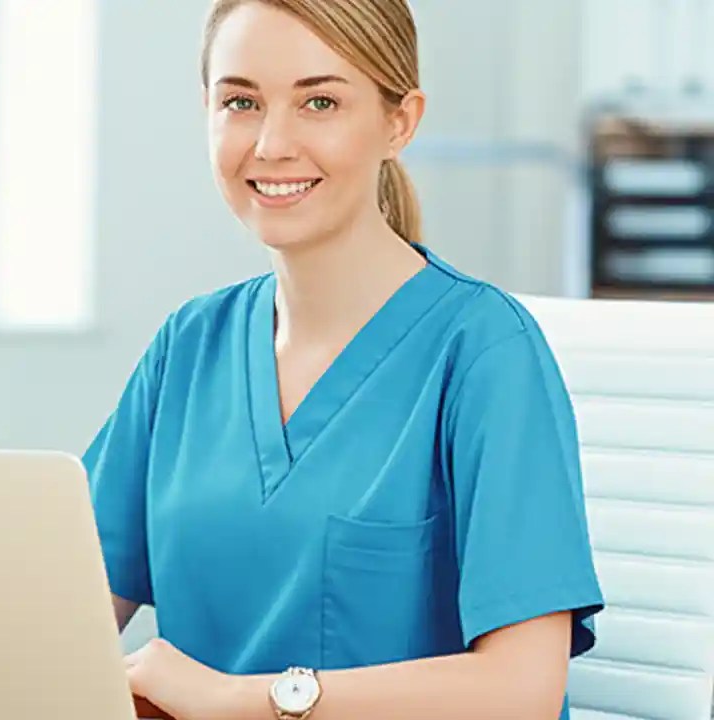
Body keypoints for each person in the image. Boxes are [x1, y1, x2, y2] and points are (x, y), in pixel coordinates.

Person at [81, 1, 605, 718]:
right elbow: (62, 620)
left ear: (400, 121)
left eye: (319, 101)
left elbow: (523, 692)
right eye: (241, 101)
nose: (271, 144)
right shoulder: (189, 347)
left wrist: (247, 702)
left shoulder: (485, 353)